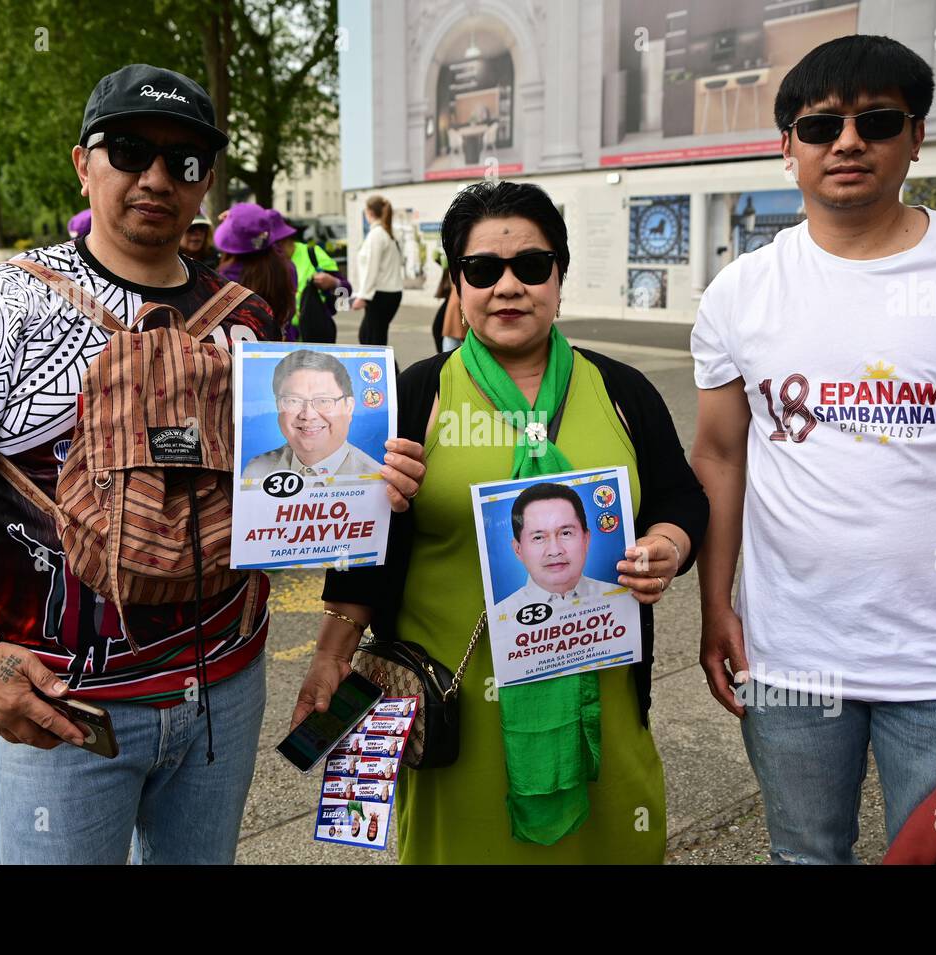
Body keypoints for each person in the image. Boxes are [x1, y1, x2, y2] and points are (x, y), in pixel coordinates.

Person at [0, 63, 425, 865]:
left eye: (186, 161)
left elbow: (281, 487)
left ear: (207, 181)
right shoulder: (2, 305)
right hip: (65, 702)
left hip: (224, 692)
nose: (157, 177)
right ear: (83, 163)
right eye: (130, 150)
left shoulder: (249, 319)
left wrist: (371, 480)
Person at [690, 35, 936, 865]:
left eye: (876, 121)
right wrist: (716, 604)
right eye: (818, 126)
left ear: (916, 137)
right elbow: (721, 456)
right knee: (804, 855)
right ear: (786, 147)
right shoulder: (740, 292)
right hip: (789, 659)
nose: (846, 142)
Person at [295, 179, 708, 863]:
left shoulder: (622, 390)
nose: (508, 285)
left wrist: (667, 542)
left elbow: (680, 494)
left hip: (596, 703)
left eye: (532, 266)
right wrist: (331, 650)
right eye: (483, 269)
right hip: (456, 711)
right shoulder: (413, 395)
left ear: (559, 276)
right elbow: (358, 540)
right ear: (457, 282)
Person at [240, 348, 383, 481]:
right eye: (293, 400)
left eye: (323, 401)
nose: (308, 415)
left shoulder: (376, 478)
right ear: (278, 406)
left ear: (349, 407)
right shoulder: (256, 471)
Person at [490, 482, 613, 620]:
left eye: (566, 533)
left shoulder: (618, 596)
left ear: (586, 539)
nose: (554, 551)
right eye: (538, 537)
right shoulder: (501, 616)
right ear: (518, 549)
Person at [214, 203, 297, 340]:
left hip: (238, 355)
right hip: (279, 349)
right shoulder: (288, 269)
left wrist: (236, 225)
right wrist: (247, 224)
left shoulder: (225, 277)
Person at [277, 213, 350, 340]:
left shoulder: (312, 253)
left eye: (277, 243)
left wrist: (335, 283)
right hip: (284, 342)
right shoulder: (266, 262)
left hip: (315, 338)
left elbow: (346, 292)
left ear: (287, 239)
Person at [351, 195, 403, 345]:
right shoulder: (388, 232)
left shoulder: (377, 235)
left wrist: (364, 296)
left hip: (380, 295)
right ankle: (392, 368)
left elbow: (371, 268)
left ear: (369, 212)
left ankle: (392, 369)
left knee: (373, 341)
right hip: (389, 294)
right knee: (370, 337)